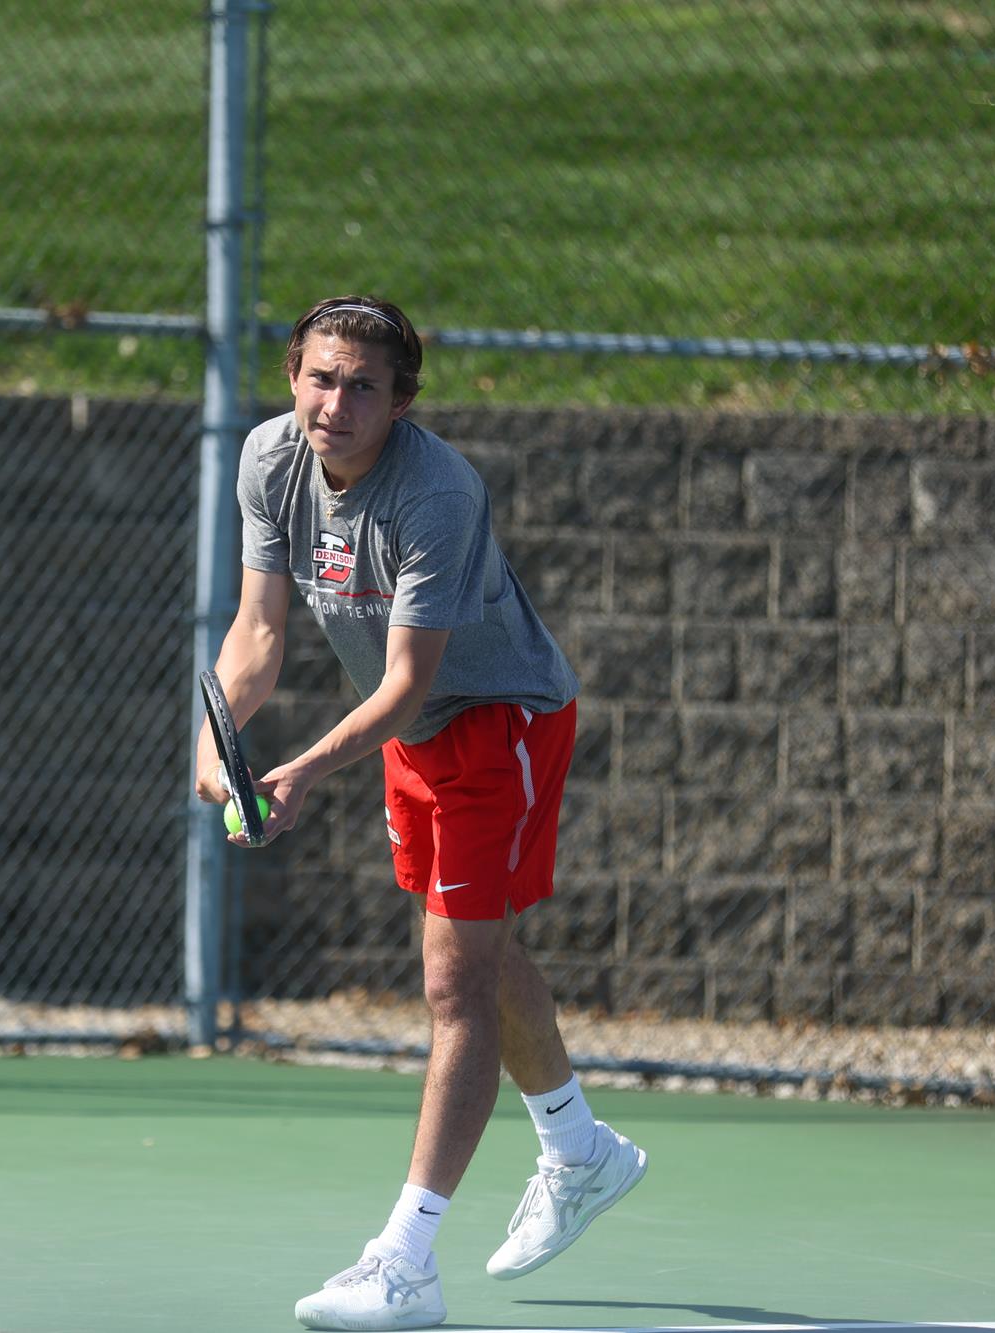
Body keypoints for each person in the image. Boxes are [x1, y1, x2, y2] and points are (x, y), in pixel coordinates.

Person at [193, 295, 647, 1332]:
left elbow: (403, 683)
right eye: (318, 377)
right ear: (291, 377)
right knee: (472, 955)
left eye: (361, 386)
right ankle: (580, 1150)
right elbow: (258, 629)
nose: (333, 402)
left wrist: (300, 769)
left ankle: (404, 1263)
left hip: (497, 720)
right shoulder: (269, 459)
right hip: (412, 738)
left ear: (401, 400)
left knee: (454, 978)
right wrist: (211, 740)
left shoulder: (436, 494)